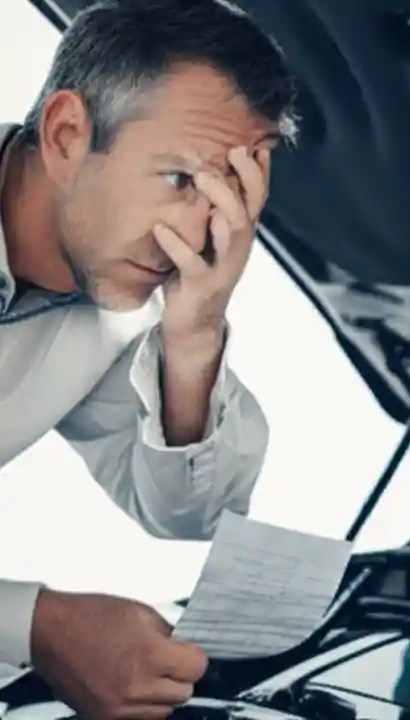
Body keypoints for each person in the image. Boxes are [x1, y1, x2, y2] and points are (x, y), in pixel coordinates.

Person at [0, 0, 293, 716]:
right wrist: (36, 626)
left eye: (230, 193)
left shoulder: (106, 294)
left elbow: (188, 513)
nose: (197, 234)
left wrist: (196, 331)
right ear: (68, 135)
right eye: (181, 179)